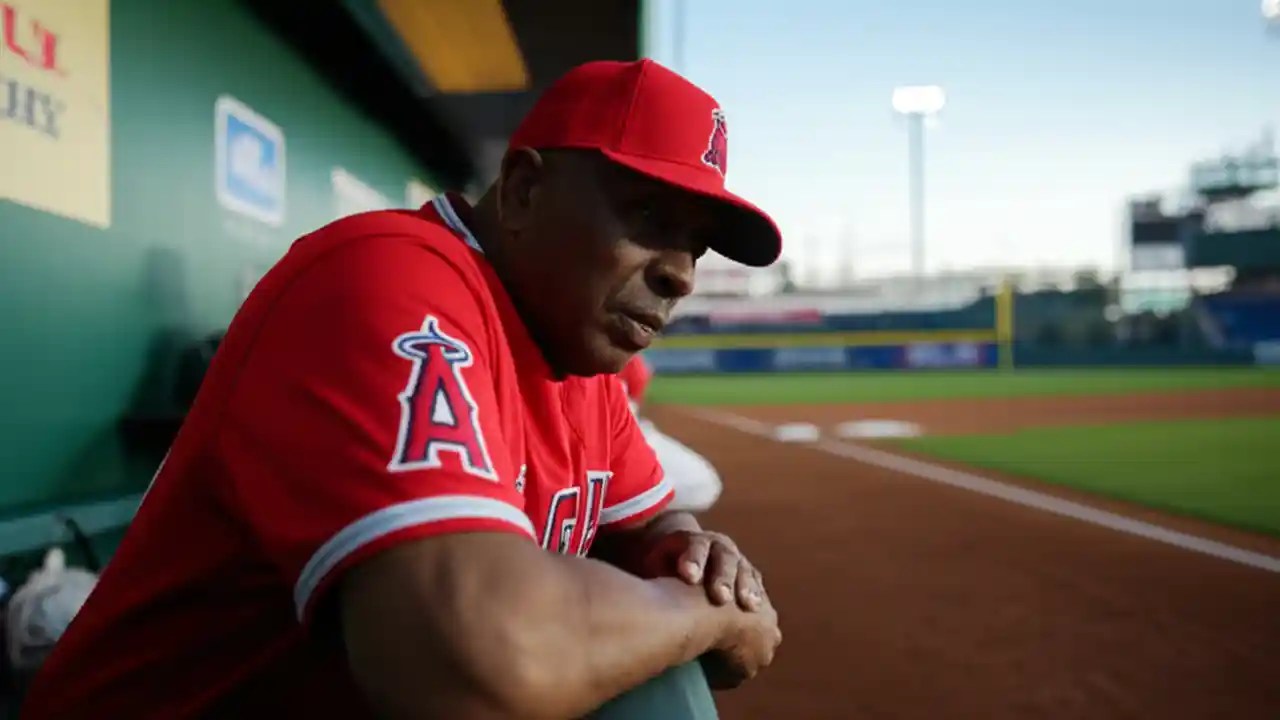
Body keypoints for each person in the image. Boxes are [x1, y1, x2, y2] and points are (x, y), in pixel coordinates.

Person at [21, 58, 782, 719]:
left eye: (694, 242)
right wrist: (699, 613)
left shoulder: (578, 357)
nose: (680, 272)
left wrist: (693, 552)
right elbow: (473, 664)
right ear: (521, 194)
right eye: (649, 216)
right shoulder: (387, 275)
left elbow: (651, 525)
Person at [618, 355, 723, 513]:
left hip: (620, 435)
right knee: (702, 485)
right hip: (619, 441)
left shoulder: (631, 362)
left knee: (702, 485)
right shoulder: (629, 361)